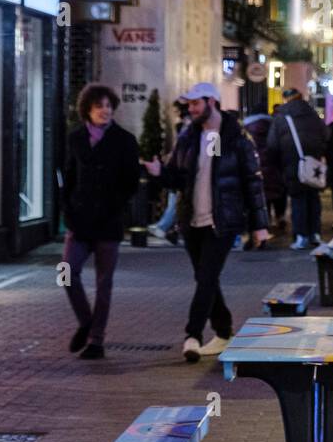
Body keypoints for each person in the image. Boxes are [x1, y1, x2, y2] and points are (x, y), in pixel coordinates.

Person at [142, 82, 269, 361]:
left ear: (211, 102)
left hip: (223, 220)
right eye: (189, 105)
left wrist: (260, 225)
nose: (191, 109)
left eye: (195, 104)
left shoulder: (237, 137)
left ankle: (193, 336)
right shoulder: (188, 136)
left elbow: (253, 182)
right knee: (205, 278)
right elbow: (177, 178)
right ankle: (224, 331)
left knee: (207, 276)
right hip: (192, 220)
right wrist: (158, 172)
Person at [61, 83, 141, 360]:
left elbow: (131, 182)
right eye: (99, 106)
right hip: (80, 222)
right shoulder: (75, 139)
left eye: (108, 106)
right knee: (67, 272)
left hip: (108, 222)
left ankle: (97, 340)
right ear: (88, 109)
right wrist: (68, 211)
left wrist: (115, 205)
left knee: (104, 283)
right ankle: (86, 322)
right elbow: (67, 178)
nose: (105, 111)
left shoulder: (124, 140)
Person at [266, 87, 328, 249]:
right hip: (313, 164)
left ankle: (301, 236)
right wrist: (318, 154)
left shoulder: (281, 117)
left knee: (298, 199)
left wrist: (278, 164)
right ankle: (315, 233)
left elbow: (272, 145)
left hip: (292, 163)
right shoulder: (313, 115)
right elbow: (326, 136)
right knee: (313, 198)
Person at [148, 101, 190, 244]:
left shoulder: (212, 133)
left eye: (197, 104)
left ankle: (168, 227)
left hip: (210, 217)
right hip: (183, 175)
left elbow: (214, 160)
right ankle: (170, 228)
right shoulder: (187, 133)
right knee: (175, 197)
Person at [244, 106, 287, 237]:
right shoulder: (273, 126)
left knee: (262, 197)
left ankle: (265, 222)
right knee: (278, 193)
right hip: (274, 166)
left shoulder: (246, 130)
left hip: (256, 167)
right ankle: (280, 217)